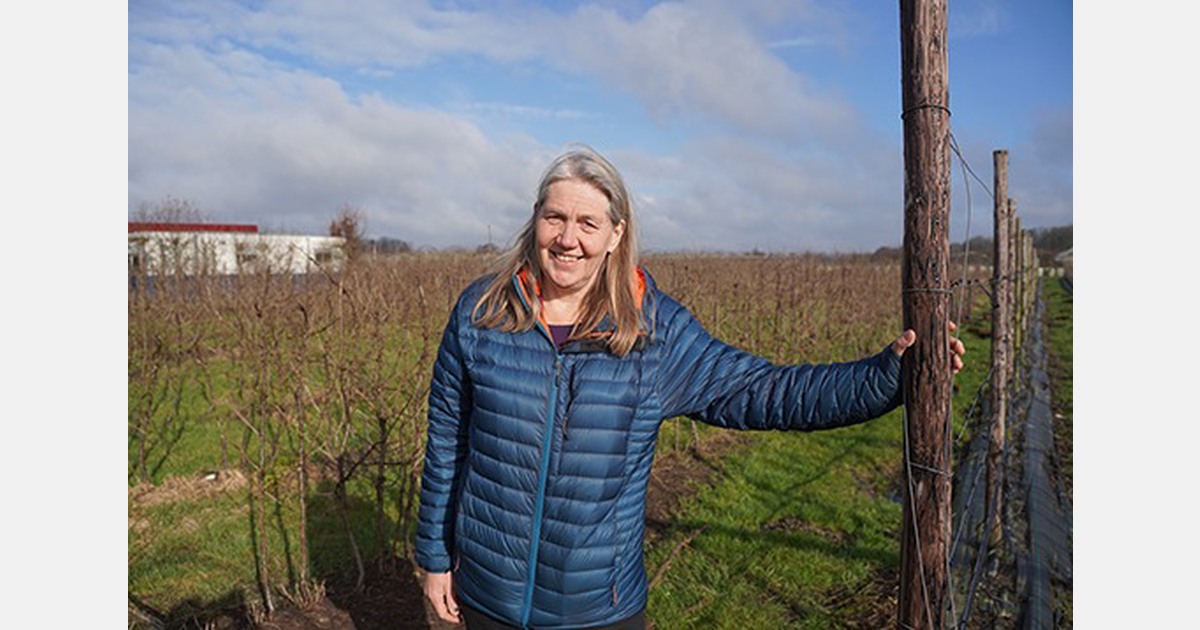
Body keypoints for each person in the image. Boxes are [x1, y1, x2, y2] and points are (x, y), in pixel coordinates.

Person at [416, 146, 965, 629]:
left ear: (616, 235)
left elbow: (762, 391)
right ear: (534, 220)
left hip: (598, 611)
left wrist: (887, 375)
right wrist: (435, 558)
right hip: (488, 596)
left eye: (588, 223)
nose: (567, 239)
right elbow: (446, 445)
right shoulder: (480, 314)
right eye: (554, 217)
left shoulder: (655, 334)